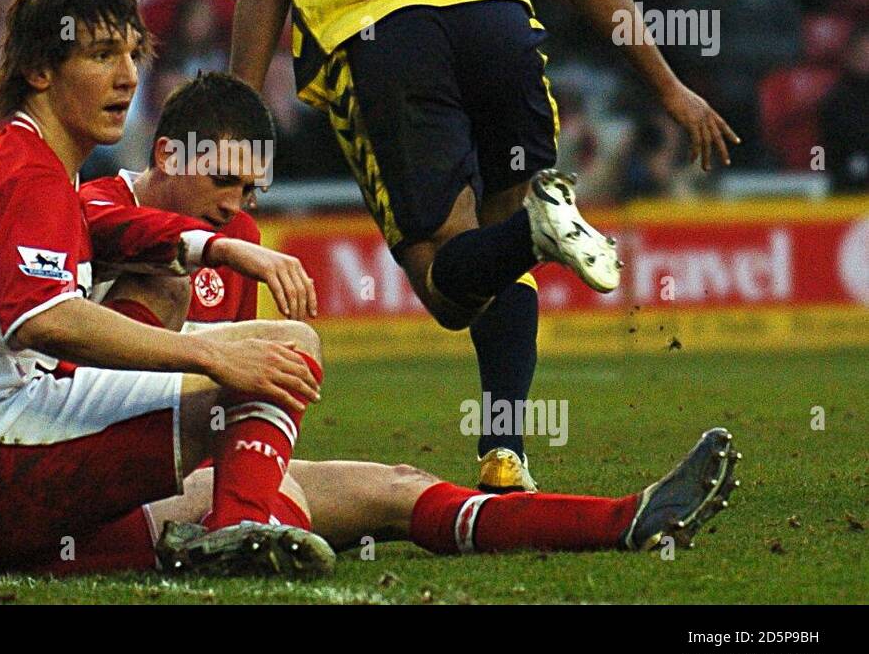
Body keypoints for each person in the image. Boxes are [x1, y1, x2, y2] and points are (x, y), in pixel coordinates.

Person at [224, 0, 738, 493]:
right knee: (500, 251)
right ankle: (504, 451)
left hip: (386, 38)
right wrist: (671, 87)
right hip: (501, 30)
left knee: (443, 282)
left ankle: (536, 232)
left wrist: (242, 116)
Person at [80, 72, 742, 560]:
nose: (234, 204)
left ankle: (628, 519)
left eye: (250, 188)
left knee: (397, 486)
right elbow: (114, 266)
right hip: (89, 486)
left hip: (178, 478)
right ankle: (238, 529)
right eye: (222, 178)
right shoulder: (87, 209)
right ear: (168, 154)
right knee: (179, 292)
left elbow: (223, 402)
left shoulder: (238, 233)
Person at [0, 0, 333, 579]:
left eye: (132, 55)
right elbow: (48, 321)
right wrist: (209, 360)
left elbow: (113, 232)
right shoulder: (24, 173)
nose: (127, 77)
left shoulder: (28, 163)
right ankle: (237, 532)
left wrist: (224, 250)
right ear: (40, 71)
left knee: (275, 371)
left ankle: (210, 532)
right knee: (277, 357)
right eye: (102, 55)